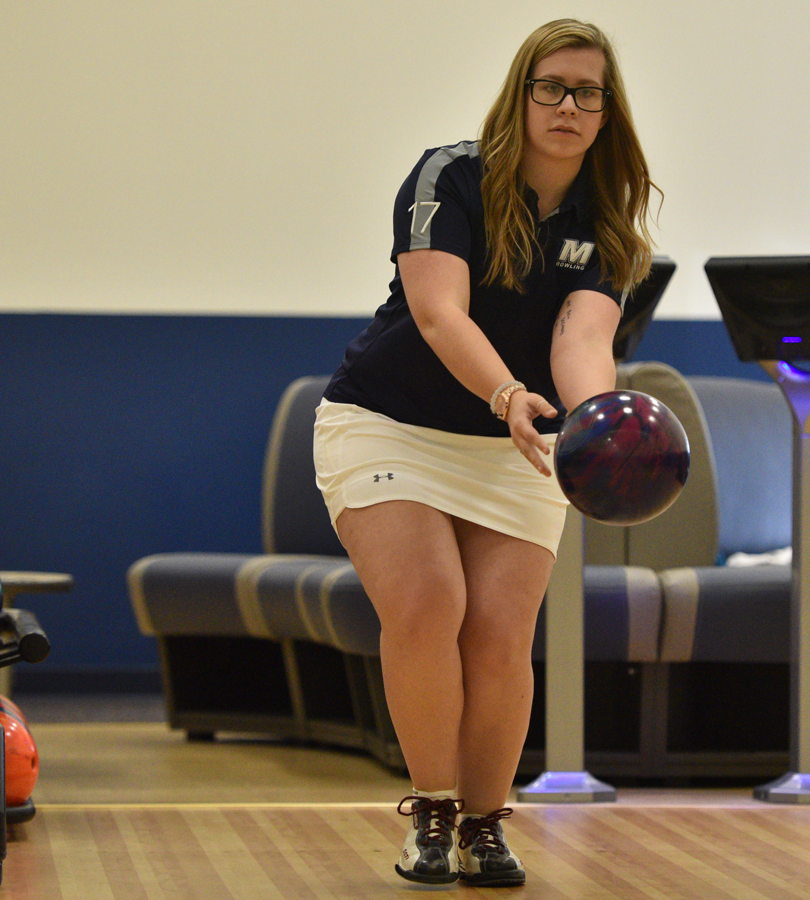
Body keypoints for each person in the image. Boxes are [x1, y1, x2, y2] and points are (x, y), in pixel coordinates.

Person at [314, 18, 658, 887]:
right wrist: (507, 392)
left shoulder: (608, 223)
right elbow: (439, 314)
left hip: (517, 444)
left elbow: (582, 339)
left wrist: (600, 427)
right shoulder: (449, 175)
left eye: (588, 93)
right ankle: (430, 812)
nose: (569, 106)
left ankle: (484, 823)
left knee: (502, 634)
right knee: (430, 602)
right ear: (521, 93)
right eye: (552, 87)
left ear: (608, 112)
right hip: (386, 422)